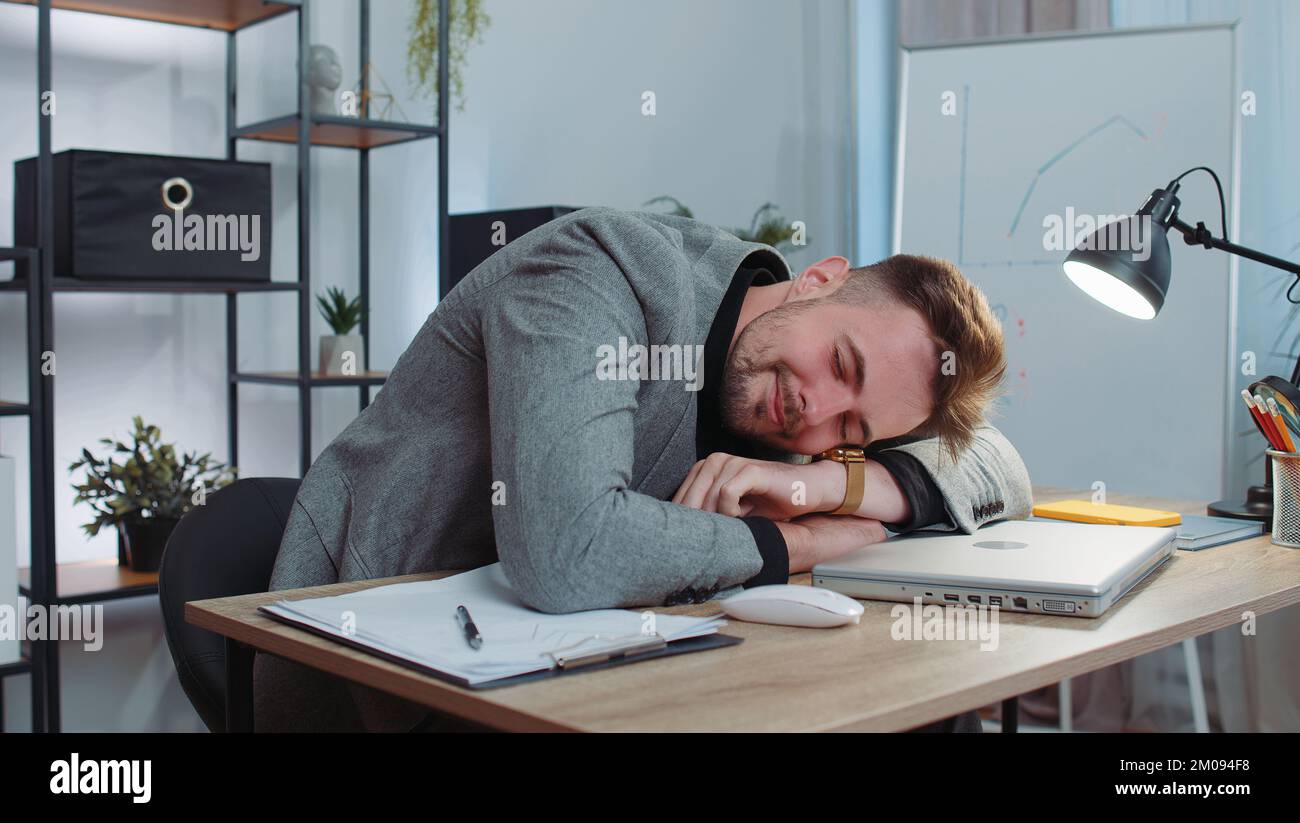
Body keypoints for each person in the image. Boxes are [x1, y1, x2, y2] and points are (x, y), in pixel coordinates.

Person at [253, 206, 1032, 732]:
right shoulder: (602, 268)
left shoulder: (803, 432)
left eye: (853, 427)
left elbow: (1004, 470)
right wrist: (810, 540)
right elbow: (565, 549)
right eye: (839, 361)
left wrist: (837, 485)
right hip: (381, 677)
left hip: (582, 681)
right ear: (820, 278)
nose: (814, 412)